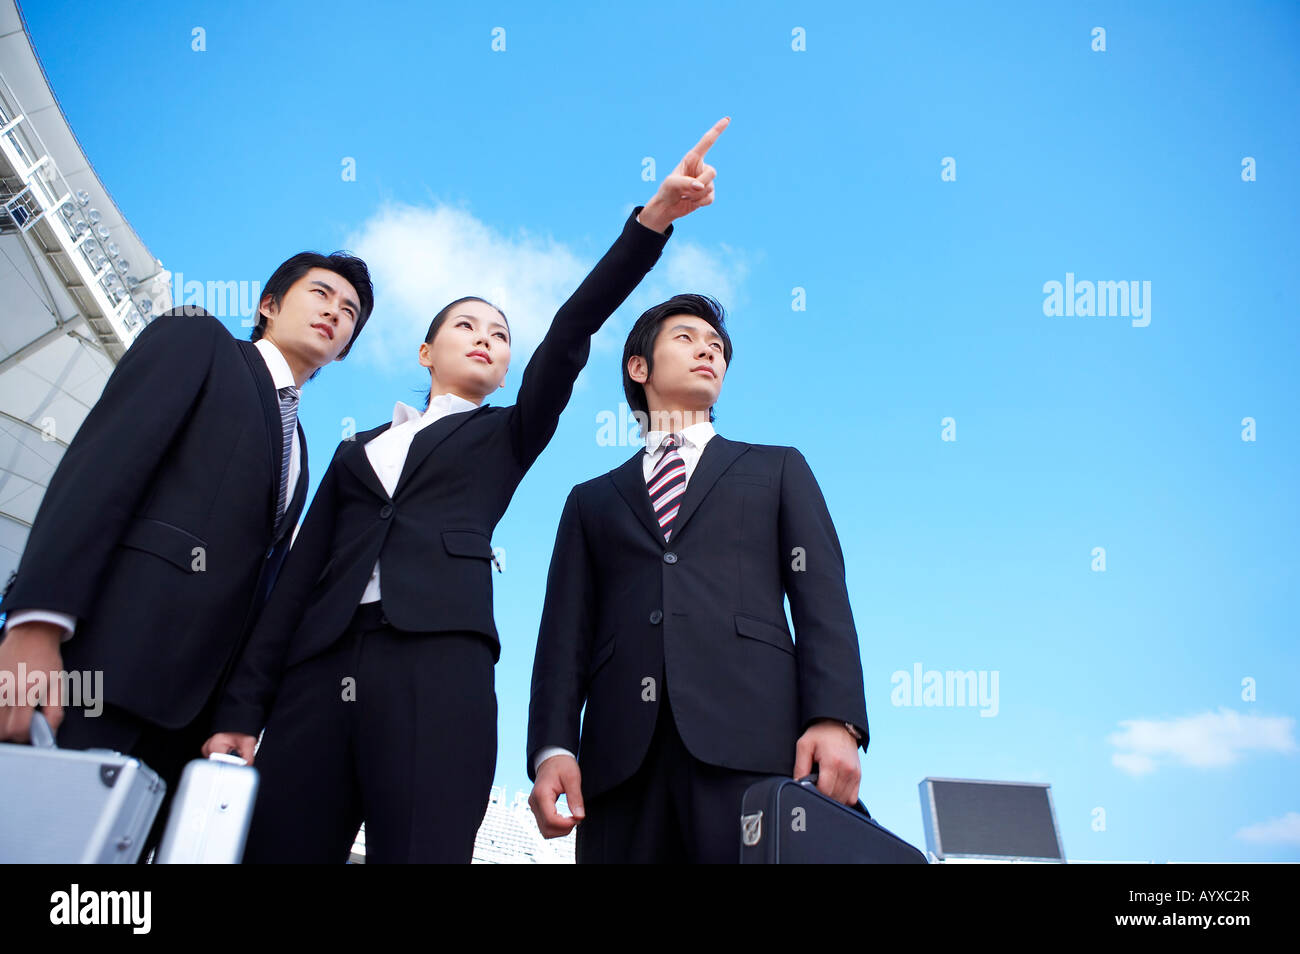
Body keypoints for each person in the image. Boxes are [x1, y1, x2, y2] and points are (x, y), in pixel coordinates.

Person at [202, 118, 730, 864]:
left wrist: (652, 223)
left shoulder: (507, 435)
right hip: (317, 673)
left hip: (438, 671)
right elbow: (292, 586)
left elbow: (574, 326)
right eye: (466, 324)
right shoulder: (355, 452)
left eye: (501, 333)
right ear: (425, 350)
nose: (486, 337)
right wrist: (242, 708)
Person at [0, 252, 374, 858]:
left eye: (350, 311)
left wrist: (236, 712)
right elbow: (102, 469)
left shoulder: (302, 449)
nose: (335, 310)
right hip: (95, 674)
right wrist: (36, 623)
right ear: (269, 305)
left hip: (189, 725)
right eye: (322, 293)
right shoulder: (198, 340)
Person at [526, 292, 869, 863]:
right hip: (619, 767)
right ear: (639, 368)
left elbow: (823, 600)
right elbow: (563, 635)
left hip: (754, 748)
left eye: (717, 346)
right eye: (685, 338)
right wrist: (552, 748)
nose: (707, 351)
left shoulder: (777, 467)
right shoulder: (590, 502)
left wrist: (835, 719)